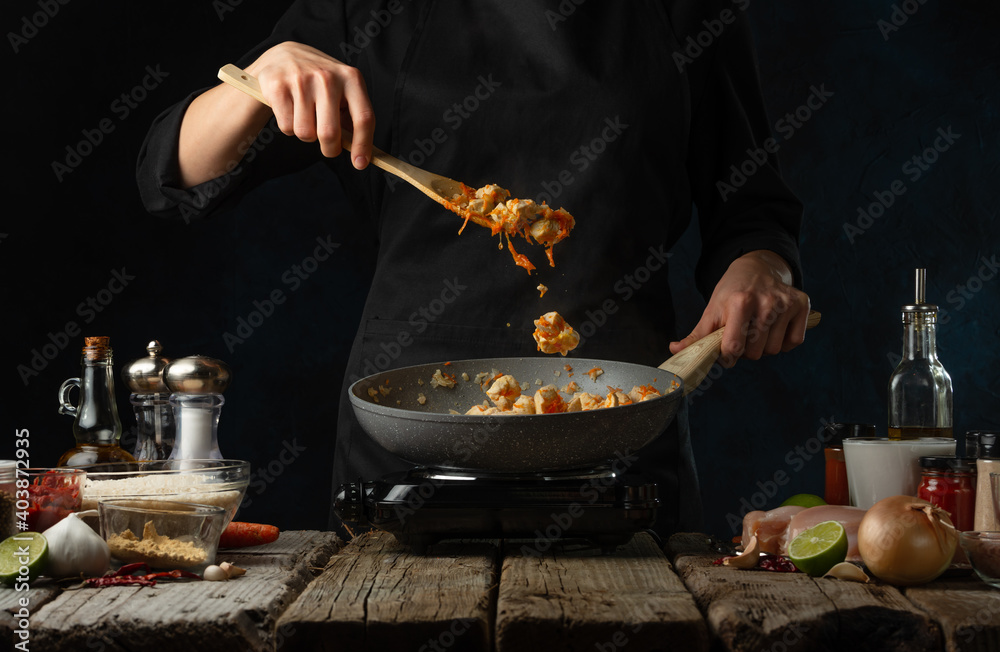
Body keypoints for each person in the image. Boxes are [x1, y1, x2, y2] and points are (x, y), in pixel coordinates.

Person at [137, 0, 811, 538]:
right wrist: (262, 80)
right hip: (409, 434)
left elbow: (753, 207)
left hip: (620, 433)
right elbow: (171, 173)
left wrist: (760, 270)